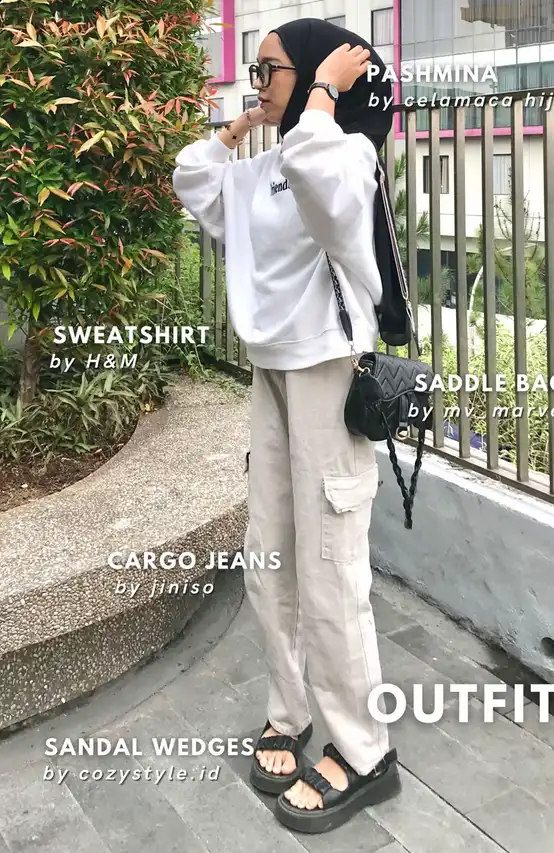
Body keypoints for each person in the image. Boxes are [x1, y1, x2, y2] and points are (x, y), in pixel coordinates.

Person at [172, 17, 401, 834]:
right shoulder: (266, 164)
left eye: (268, 68)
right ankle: (291, 708)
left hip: (328, 373)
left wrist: (325, 93)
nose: (255, 81)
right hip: (270, 370)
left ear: (310, 76)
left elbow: (319, 172)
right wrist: (241, 124)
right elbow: (193, 179)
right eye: (252, 70)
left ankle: (364, 751)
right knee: (270, 555)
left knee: (331, 566)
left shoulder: (344, 154)